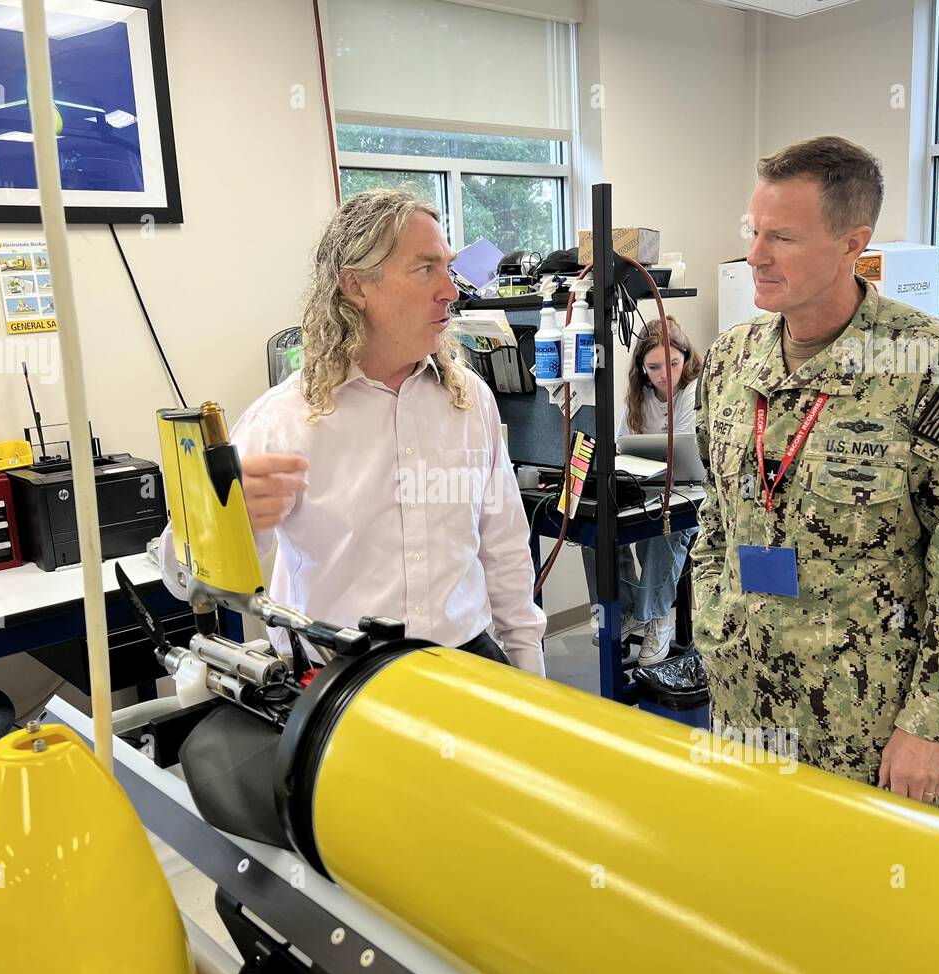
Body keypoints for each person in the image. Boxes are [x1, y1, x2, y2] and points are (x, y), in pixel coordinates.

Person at [692, 135, 939, 805]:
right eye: (752, 231)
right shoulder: (732, 361)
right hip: (743, 711)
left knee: (867, 904)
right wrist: (712, 623)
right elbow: (717, 517)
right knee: (752, 891)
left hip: (868, 733)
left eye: (782, 238)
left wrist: (931, 726)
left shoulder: (933, 368)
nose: (755, 256)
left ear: (853, 243)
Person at [162, 189, 546, 674]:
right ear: (357, 287)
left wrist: (531, 672)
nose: (450, 289)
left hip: (466, 664)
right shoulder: (283, 420)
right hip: (341, 681)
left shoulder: (468, 401)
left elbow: (505, 550)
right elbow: (187, 582)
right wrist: (218, 520)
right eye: (426, 268)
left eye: (447, 268)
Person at [582, 317, 702, 665]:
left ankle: (659, 615)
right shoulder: (638, 395)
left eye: (673, 364)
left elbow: (685, 451)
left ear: (685, 358)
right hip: (644, 485)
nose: (665, 374)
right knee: (594, 531)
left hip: (688, 491)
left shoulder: (695, 391)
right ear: (642, 367)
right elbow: (621, 444)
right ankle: (624, 613)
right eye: (654, 367)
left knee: (663, 532)